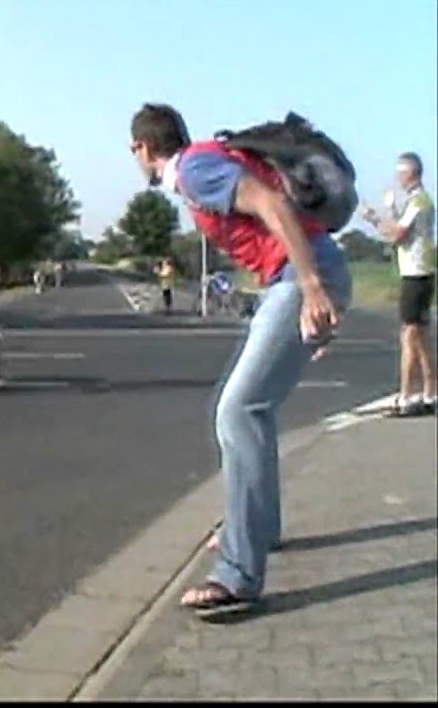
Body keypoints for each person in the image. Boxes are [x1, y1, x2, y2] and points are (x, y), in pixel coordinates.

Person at [129, 103, 352, 618]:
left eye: (134, 151)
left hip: (303, 276)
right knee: (256, 409)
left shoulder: (193, 170)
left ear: (143, 147)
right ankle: (259, 528)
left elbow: (273, 204)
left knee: (238, 411)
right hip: (299, 276)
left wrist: (312, 288)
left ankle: (238, 572)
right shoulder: (204, 163)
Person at [361, 152, 436, 417]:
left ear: (410, 173)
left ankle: (406, 396)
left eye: (400, 172)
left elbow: (396, 234)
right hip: (420, 272)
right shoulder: (416, 201)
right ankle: (430, 392)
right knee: (422, 336)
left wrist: (374, 218)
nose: (397, 178)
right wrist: (390, 212)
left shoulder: (418, 200)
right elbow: (398, 231)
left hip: (416, 273)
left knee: (409, 334)